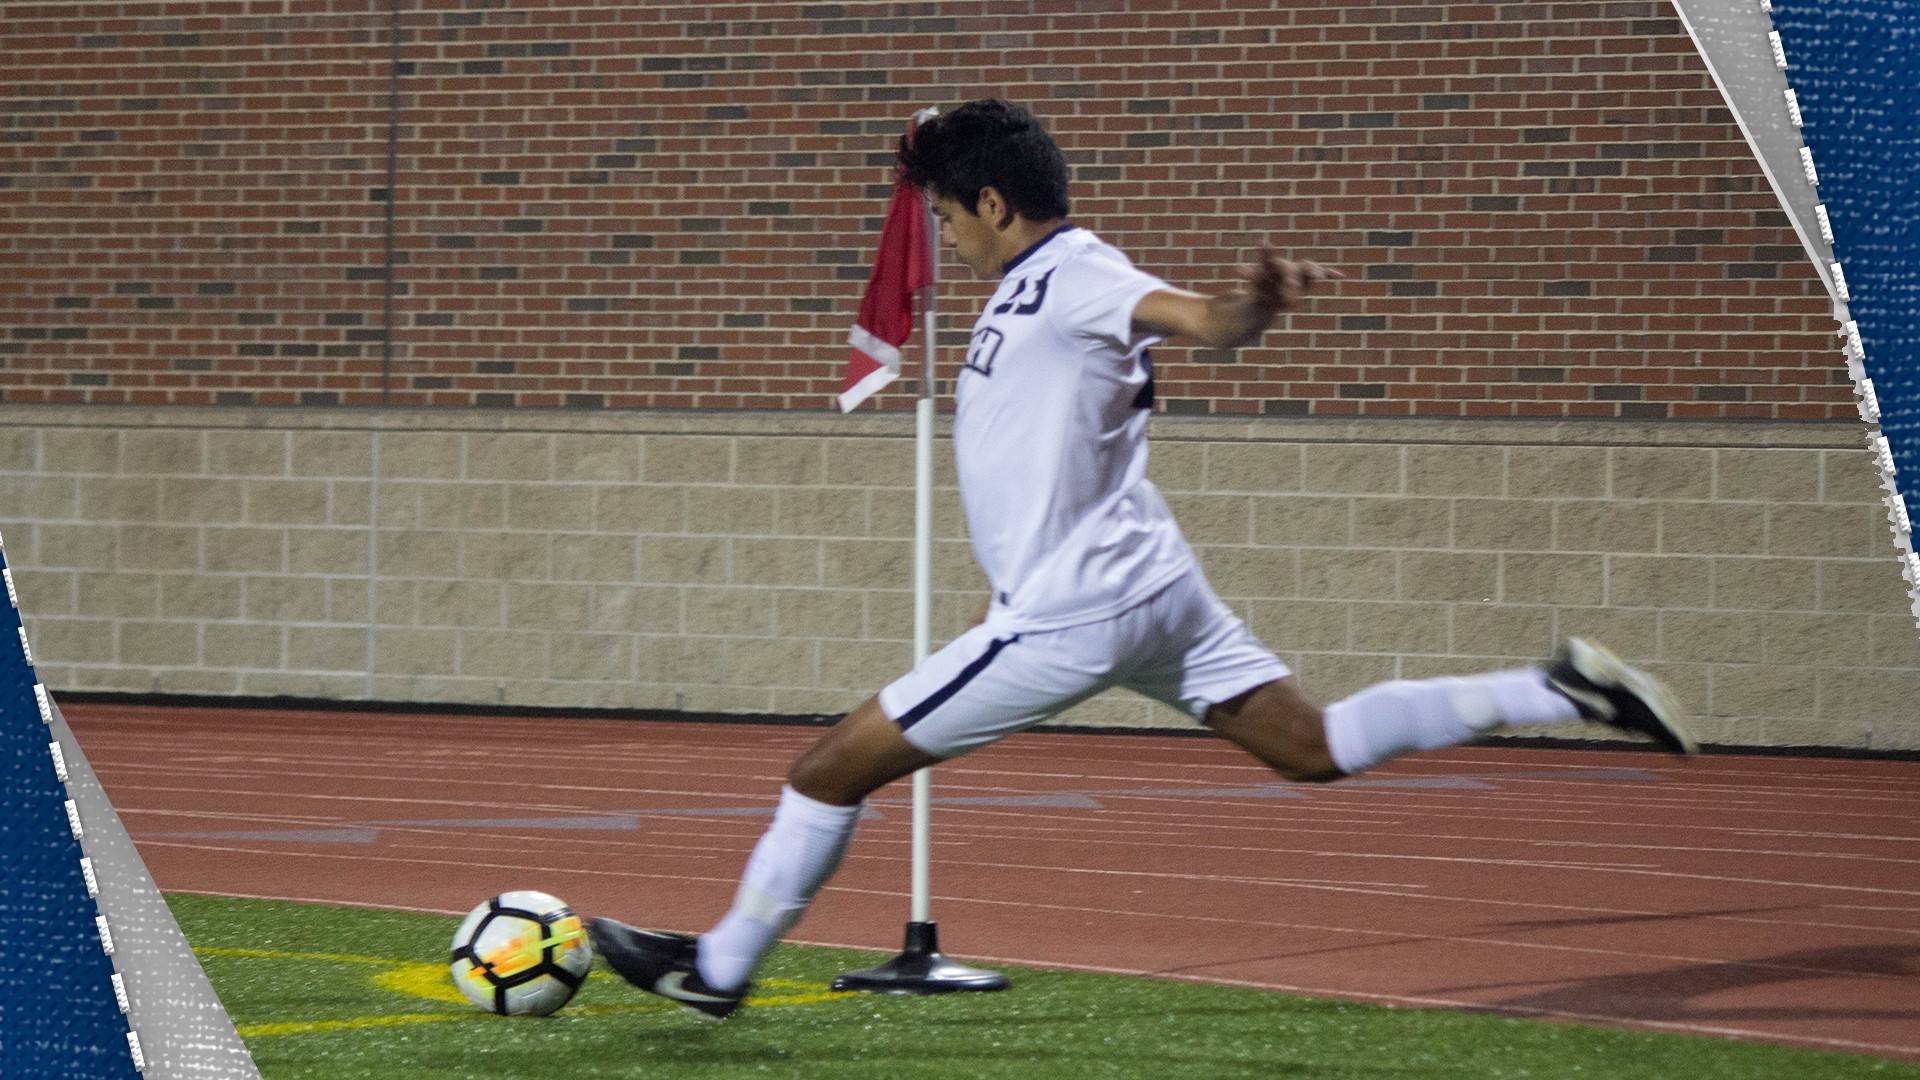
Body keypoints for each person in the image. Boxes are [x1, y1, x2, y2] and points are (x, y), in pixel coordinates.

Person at [588, 99, 1694, 1018]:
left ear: (992, 202)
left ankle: (719, 971)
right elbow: (1038, 451)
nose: (944, 234)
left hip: (1083, 608)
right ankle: (1559, 689)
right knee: (1308, 747)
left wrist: (1244, 311)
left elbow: (1191, 320)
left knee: (828, 767)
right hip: (1145, 585)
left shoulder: (1075, 272)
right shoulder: (1031, 287)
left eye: (946, 213)